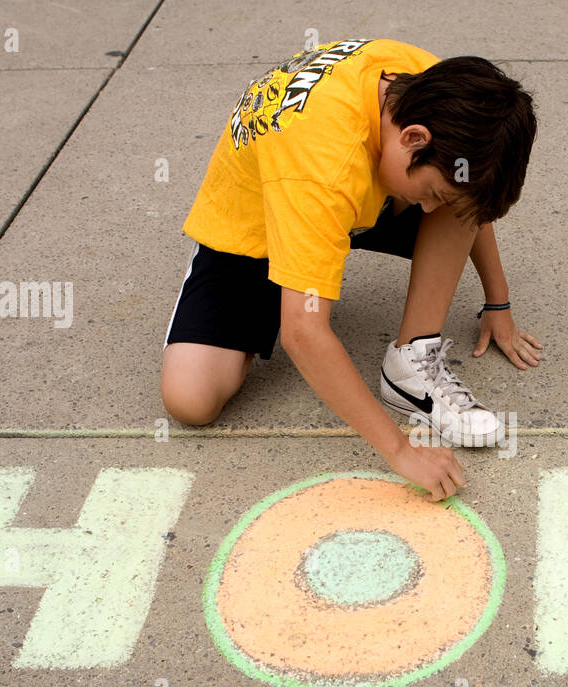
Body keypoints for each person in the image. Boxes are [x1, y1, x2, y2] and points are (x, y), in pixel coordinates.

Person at [161, 38, 540, 501]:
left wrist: (497, 303)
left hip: (347, 196)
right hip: (256, 231)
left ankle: (412, 362)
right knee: (190, 400)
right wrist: (400, 451)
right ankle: (285, 285)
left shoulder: (432, 87)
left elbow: (470, 202)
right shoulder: (321, 162)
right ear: (413, 138)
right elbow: (303, 332)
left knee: (456, 195)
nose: (430, 206)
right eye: (431, 192)